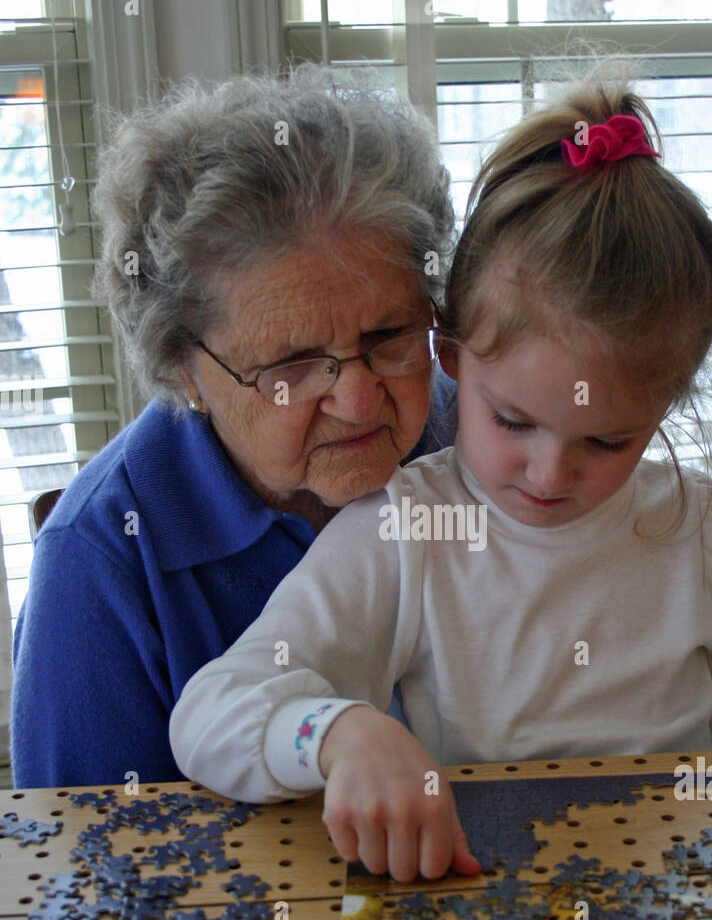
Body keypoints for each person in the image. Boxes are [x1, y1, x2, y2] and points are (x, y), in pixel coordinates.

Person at [169, 68, 712, 884]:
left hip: (696, 891)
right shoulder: (407, 528)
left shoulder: (697, 521)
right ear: (451, 357)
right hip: (494, 893)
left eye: (608, 441)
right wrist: (337, 733)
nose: (550, 472)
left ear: (665, 406)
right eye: (512, 422)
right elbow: (210, 713)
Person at [11, 67, 458, 788]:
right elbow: (91, 868)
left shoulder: (502, 444)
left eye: (389, 336)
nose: (357, 398)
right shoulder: (99, 561)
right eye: (292, 363)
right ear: (183, 370)